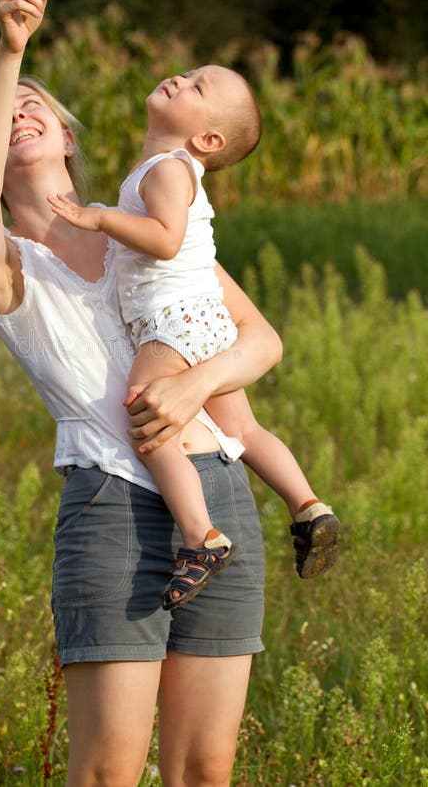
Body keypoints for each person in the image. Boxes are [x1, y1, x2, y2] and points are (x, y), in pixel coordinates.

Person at [0, 0, 282, 786]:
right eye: (4, 108)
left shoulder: (147, 233)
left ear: (67, 137)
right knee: (109, 774)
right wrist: (10, 50)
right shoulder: (6, 269)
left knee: (205, 771)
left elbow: (261, 339)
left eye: (38, 103)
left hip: (218, 497)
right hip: (110, 504)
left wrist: (194, 389)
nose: (23, 106)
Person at [48, 69, 340, 606]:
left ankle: (200, 537)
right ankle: (307, 506)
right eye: (189, 74)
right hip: (206, 321)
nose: (180, 78)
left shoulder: (165, 169)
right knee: (244, 429)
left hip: (172, 322)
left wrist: (99, 219)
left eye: (197, 87)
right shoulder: (173, 169)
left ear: (207, 140)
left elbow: (164, 241)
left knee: (146, 422)